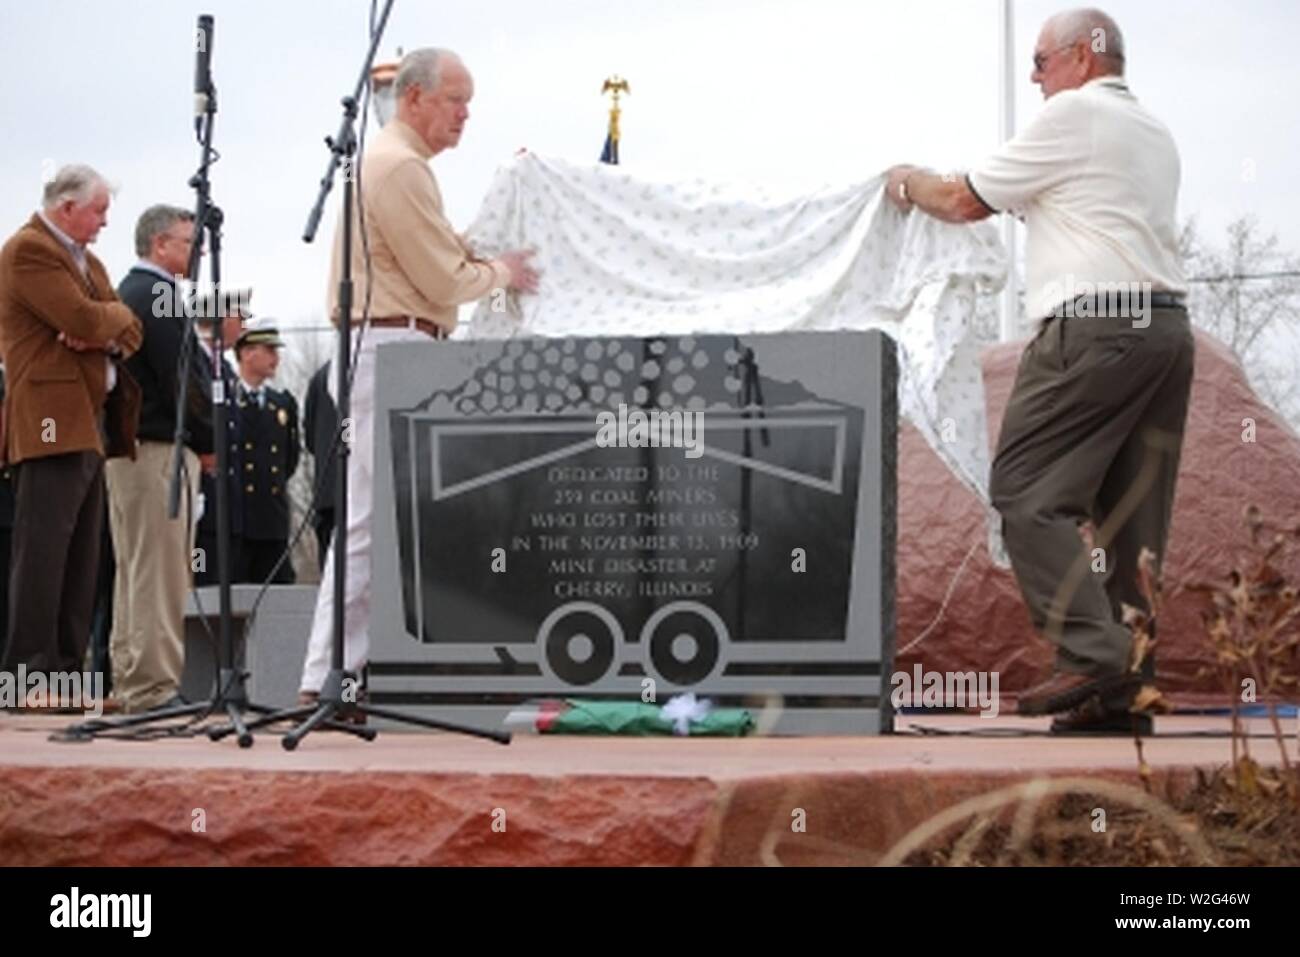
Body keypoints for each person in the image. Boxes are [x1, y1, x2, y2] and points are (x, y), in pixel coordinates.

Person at [884, 7, 1193, 734]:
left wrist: (903, 183)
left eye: (1042, 60)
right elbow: (1079, 209)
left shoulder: (1075, 118)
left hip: (1094, 327)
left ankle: (1093, 653)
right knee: (1130, 521)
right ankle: (1117, 698)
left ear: (1086, 55)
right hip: (1166, 333)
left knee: (1024, 486)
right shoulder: (1153, 134)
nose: (1033, 77)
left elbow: (962, 198)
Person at [298, 47, 539, 706]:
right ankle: (331, 677)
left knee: (369, 524)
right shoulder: (399, 166)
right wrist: (504, 275)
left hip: (387, 342)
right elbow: (441, 276)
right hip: (393, 343)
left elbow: (436, 250)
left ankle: (331, 676)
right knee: (380, 523)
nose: (465, 114)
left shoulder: (391, 164)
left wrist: (482, 248)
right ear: (414, 98)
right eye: (455, 99)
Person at [0, 165, 143, 707]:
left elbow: (128, 329)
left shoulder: (90, 262)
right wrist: (103, 325)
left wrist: (102, 329)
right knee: (42, 554)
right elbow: (86, 319)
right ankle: (26, 678)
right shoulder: (29, 252)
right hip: (49, 421)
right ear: (66, 208)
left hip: (89, 420)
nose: (105, 222)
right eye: (99, 211)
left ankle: (63, 675)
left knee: (82, 558)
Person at [106, 204, 213, 713]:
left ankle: (133, 680)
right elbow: (181, 379)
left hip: (131, 452)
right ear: (160, 245)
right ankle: (153, 688)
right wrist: (209, 437)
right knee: (161, 573)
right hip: (157, 450)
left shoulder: (131, 291)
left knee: (136, 569)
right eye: (189, 242)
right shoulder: (158, 296)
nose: (198, 253)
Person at [231, 321, 298, 584]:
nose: (276, 358)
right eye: (269, 350)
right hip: (239, 521)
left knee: (278, 595)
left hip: (272, 518)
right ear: (247, 353)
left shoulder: (282, 404)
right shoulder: (227, 399)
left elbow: (288, 459)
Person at [302, 359, 337, 572]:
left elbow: (311, 438)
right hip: (349, 494)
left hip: (329, 493)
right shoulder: (365, 370)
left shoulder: (321, 375)